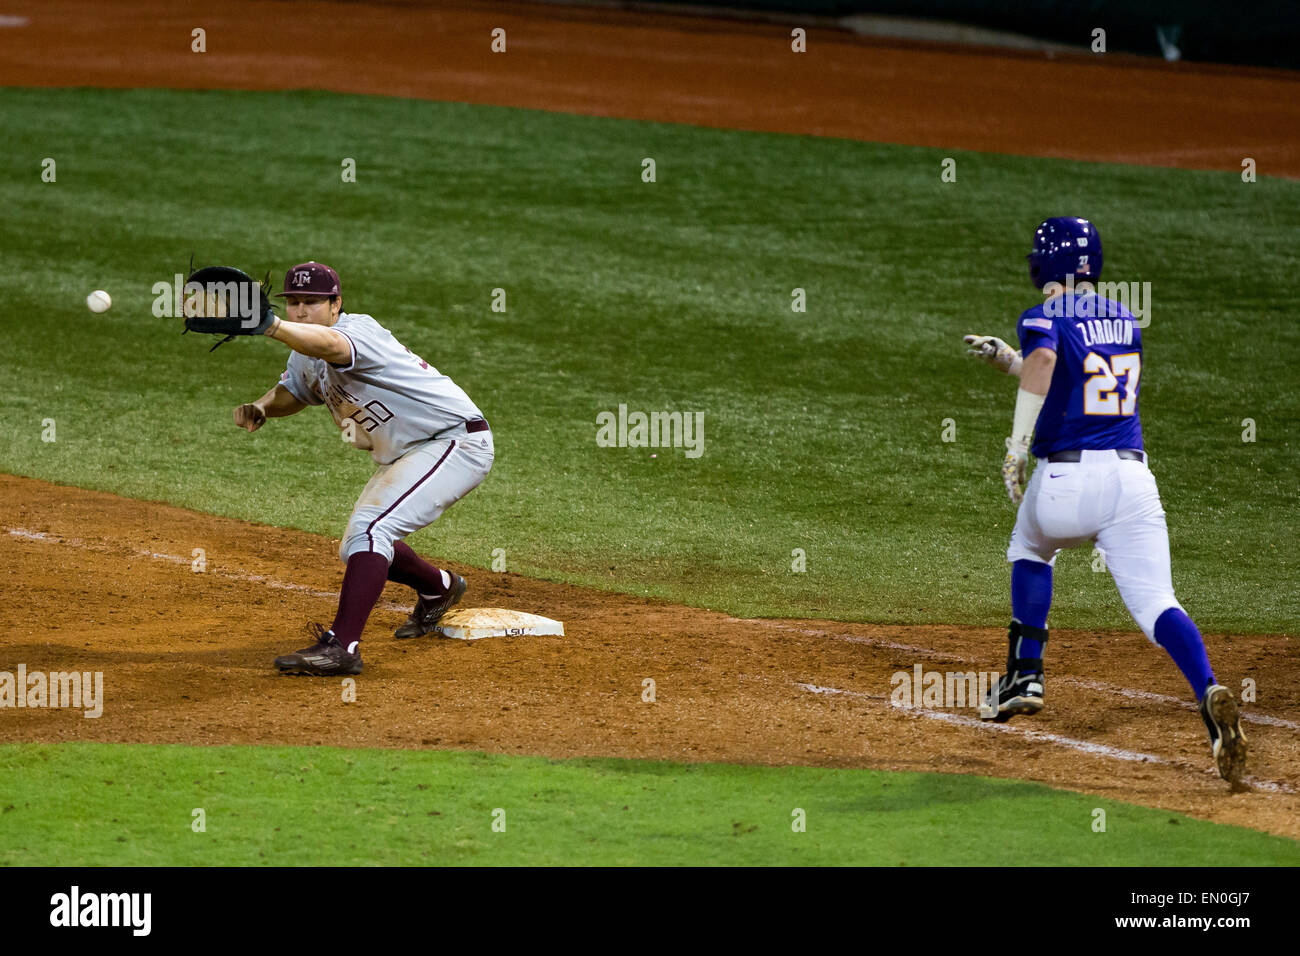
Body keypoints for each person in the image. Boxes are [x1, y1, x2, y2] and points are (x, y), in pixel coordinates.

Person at [964, 218, 1248, 788]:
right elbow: (1075, 384)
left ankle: (1025, 675)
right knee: (1158, 603)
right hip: (1132, 483)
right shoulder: (1123, 316)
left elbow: (1047, 366)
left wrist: (1017, 444)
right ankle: (1208, 690)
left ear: (1044, 265)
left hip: (1068, 482)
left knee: (1029, 546)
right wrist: (1008, 361)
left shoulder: (1041, 314)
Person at [232, 261, 493, 675]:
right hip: (410, 452)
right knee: (358, 543)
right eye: (294, 303)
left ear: (336, 304)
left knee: (372, 531)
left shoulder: (359, 332)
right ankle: (438, 588)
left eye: (312, 303)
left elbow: (332, 348)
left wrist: (271, 326)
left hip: (453, 441)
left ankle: (343, 646)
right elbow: (296, 391)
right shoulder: (305, 349)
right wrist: (263, 406)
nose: (301, 310)